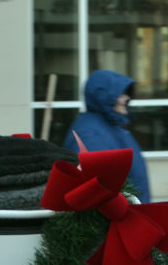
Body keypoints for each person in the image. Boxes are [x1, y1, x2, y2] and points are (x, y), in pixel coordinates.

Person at [63, 69, 151, 203]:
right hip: (119, 212)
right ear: (103, 97)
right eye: (121, 94)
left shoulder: (113, 126)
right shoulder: (90, 134)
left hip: (131, 209)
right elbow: (98, 189)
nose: (127, 98)